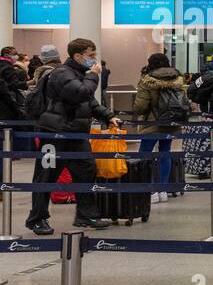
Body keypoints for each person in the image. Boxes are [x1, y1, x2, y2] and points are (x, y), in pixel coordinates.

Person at [25, 38, 123, 235]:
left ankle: (86, 215)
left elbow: (89, 103)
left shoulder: (79, 73)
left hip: (76, 135)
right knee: (46, 177)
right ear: (78, 56)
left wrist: (108, 116)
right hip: (54, 135)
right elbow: (81, 93)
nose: (94, 60)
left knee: (86, 171)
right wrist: (94, 76)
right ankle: (37, 219)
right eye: (91, 55)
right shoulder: (62, 73)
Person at [133, 52, 189, 202]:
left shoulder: (147, 80)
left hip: (152, 122)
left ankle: (148, 191)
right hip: (172, 122)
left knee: (144, 154)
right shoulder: (177, 78)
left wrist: (138, 111)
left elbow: (141, 105)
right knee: (165, 153)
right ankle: (162, 190)